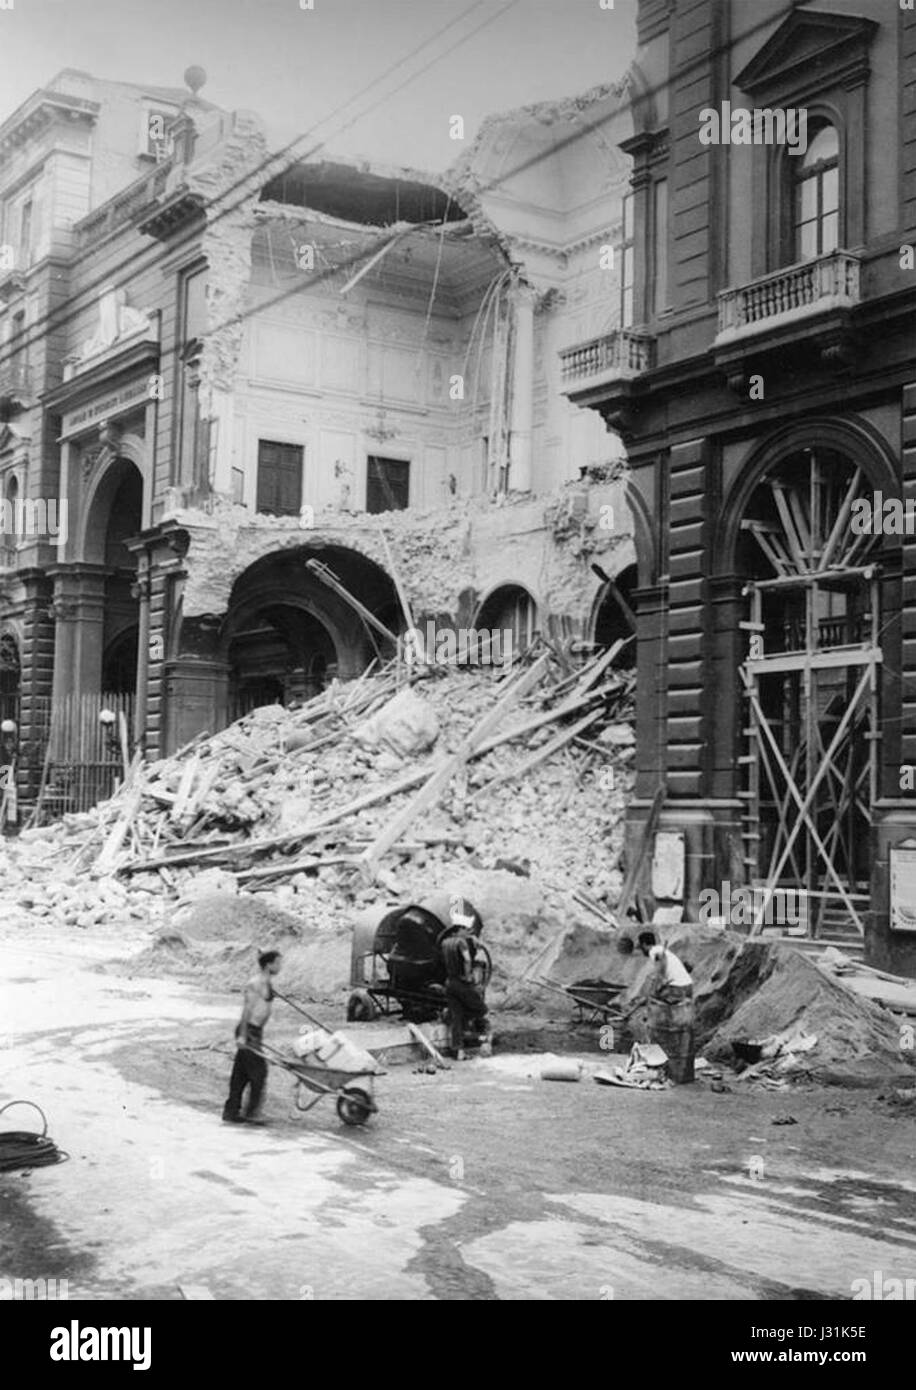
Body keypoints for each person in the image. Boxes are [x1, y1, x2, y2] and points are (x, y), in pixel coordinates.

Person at [222, 949, 283, 1125]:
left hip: (256, 1031)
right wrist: (242, 1035)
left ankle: (231, 1112)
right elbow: (247, 1009)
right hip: (247, 1031)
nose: (280, 967)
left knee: (240, 1074)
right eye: (278, 963)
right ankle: (252, 1113)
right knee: (259, 1071)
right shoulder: (255, 983)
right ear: (268, 964)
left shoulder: (266, 982)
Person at [442, 928, 489, 1061]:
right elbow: (467, 959)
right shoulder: (461, 943)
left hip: (449, 983)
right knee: (482, 1009)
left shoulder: (445, 943)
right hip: (461, 983)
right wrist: (468, 975)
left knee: (456, 1018)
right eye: (465, 930)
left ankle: (459, 1052)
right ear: (459, 930)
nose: (467, 933)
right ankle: (482, 1040)